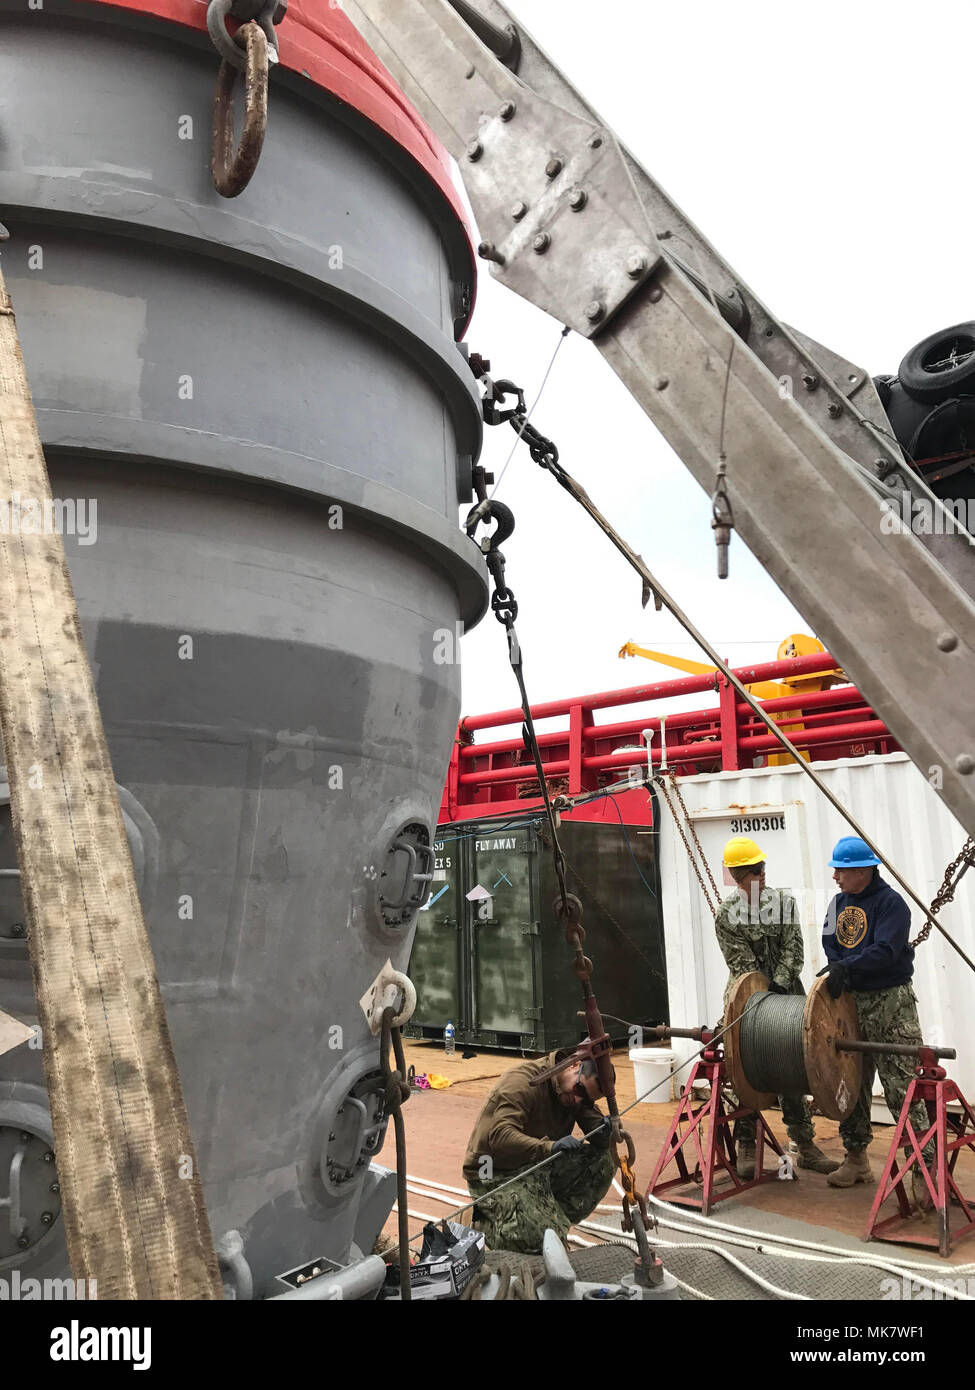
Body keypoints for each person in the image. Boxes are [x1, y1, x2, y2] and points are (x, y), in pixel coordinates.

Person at [714, 835, 838, 1178]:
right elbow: (742, 965)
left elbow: (793, 949)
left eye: (762, 866)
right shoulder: (727, 917)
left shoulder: (783, 902)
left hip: (787, 996)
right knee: (745, 1074)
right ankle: (746, 1145)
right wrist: (763, 995)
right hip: (746, 999)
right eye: (754, 870)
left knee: (792, 1070)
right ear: (738, 877)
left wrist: (782, 984)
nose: (761, 873)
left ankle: (805, 1146)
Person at [821, 836, 934, 1205]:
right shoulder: (838, 903)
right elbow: (830, 942)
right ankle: (856, 1158)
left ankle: (924, 1168)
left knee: (902, 1088)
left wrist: (845, 967)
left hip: (890, 1004)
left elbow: (886, 952)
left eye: (842, 870)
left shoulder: (892, 905)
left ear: (863, 870)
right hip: (851, 1005)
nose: (836, 876)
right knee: (851, 1084)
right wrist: (840, 966)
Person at [463, 1051, 614, 1253]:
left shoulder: (573, 1093)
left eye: (586, 1099)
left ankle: (548, 1220)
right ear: (573, 1066)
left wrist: (605, 1131)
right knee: (539, 1242)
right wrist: (550, 1147)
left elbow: (599, 1139)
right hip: (493, 1171)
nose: (578, 1100)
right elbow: (500, 1136)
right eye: (580, 1090)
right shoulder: (523, 1081)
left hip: (538, 1165)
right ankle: (486, 1222)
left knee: (602, 1164)